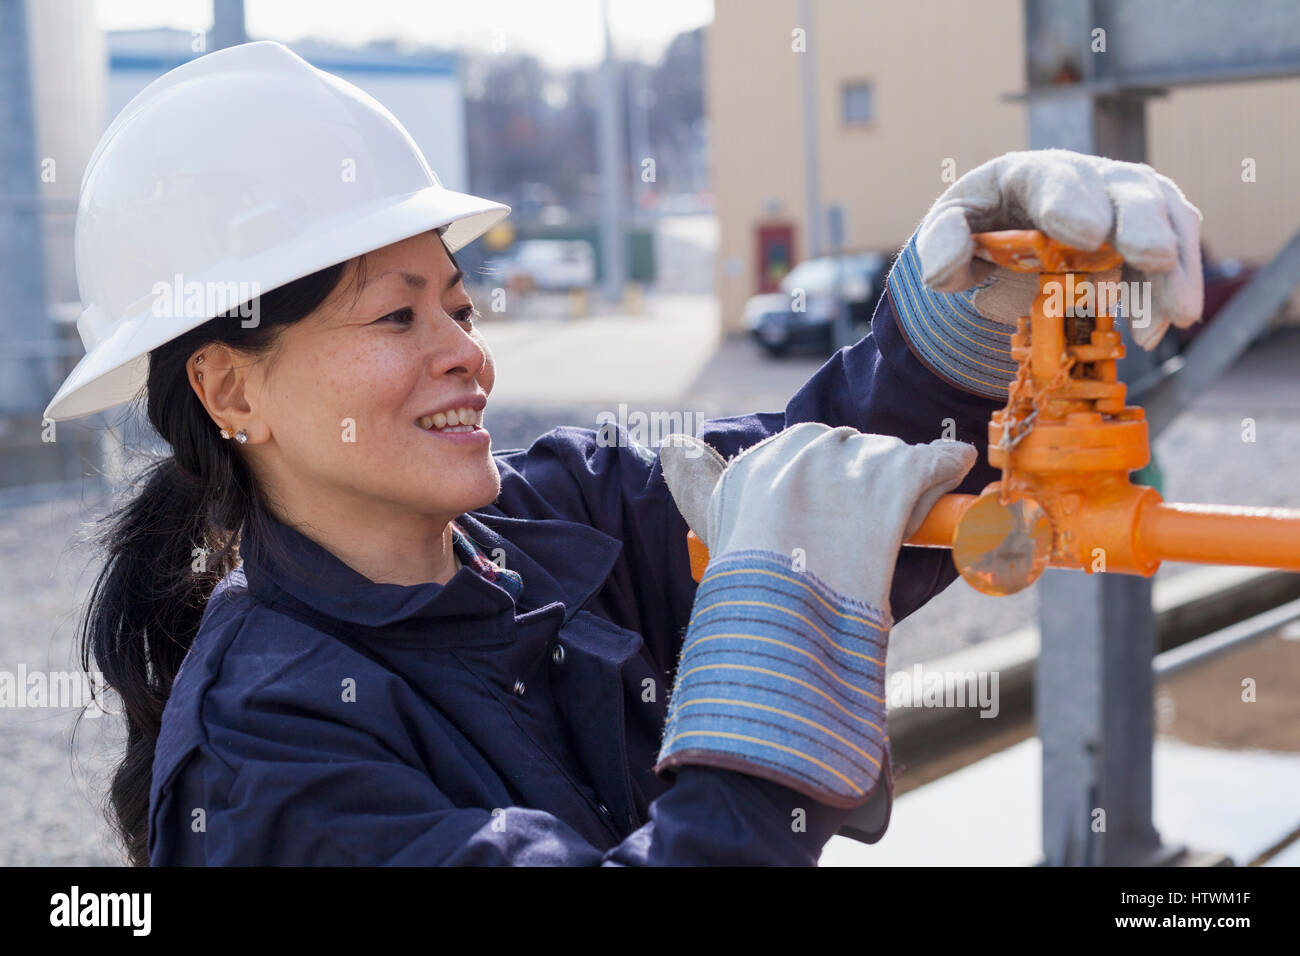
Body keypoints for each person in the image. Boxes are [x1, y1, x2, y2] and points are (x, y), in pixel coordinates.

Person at [51, 41, 1203, 866]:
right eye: (397, 317)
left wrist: (979, 311)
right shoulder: (268, 755)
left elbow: (835, 470)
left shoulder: (567, 520)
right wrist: (774, 665)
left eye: (458, 305)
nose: (468, 355)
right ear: (227, 385)